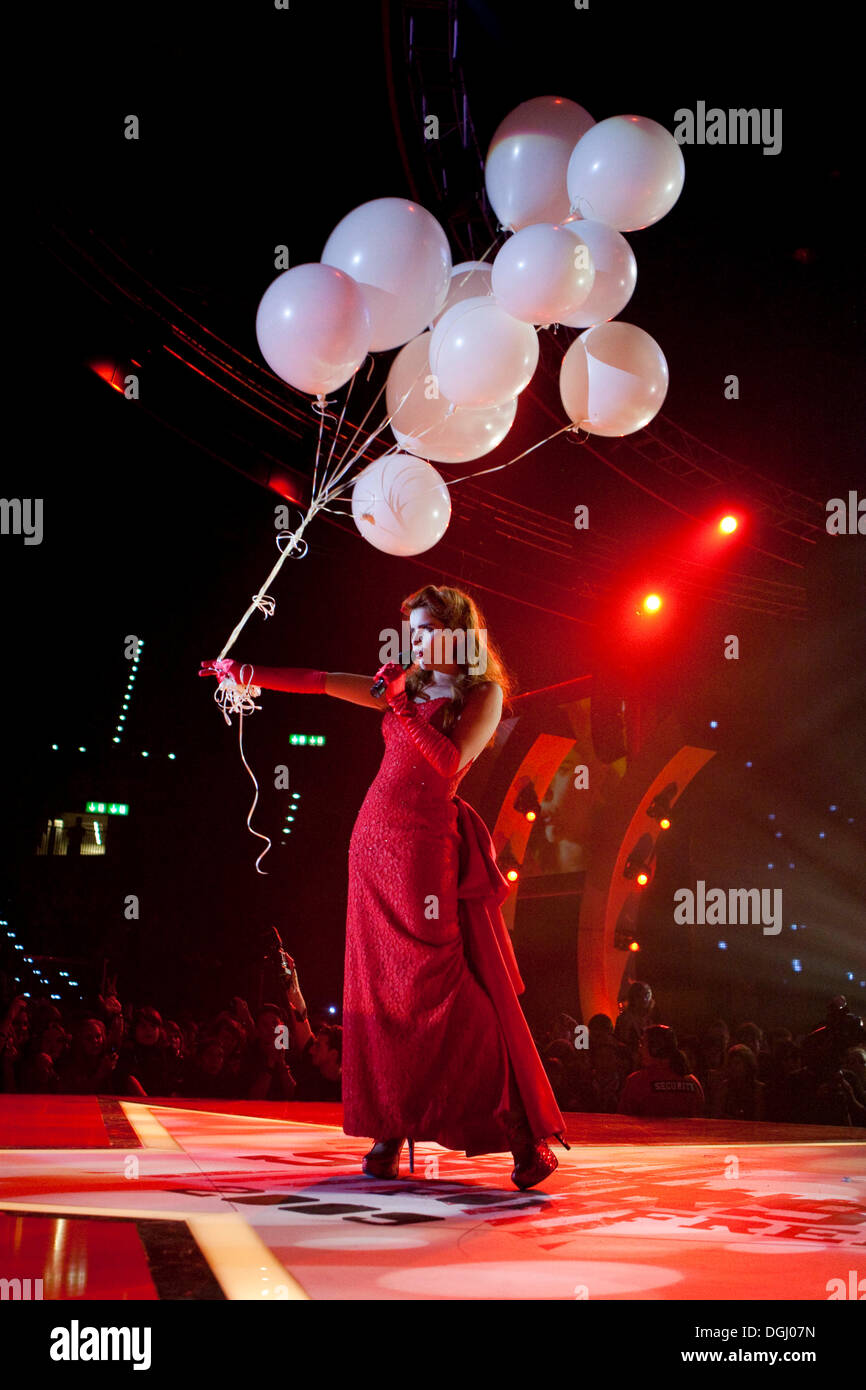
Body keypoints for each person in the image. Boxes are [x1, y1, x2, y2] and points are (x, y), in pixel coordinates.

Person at [200, 583, 568, 1188]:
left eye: (425, 631)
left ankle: (518, 1132)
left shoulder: (485, 694)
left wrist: (397, 706)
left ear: (458, 634)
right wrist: (244, 672)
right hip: (372, 843)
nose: (415, 642)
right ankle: (388, 1132)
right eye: (412, 632)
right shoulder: (410, 686)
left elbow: (449, 765)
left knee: (448, 991)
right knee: (379, 987)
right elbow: (322, 680)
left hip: (426, 850)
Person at [618, 1025, 705, 1118]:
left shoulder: (637, 1082)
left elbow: (624, 1121)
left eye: (642, 1044)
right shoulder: (693, 1083)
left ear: (654, 1049)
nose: (639, 1049)